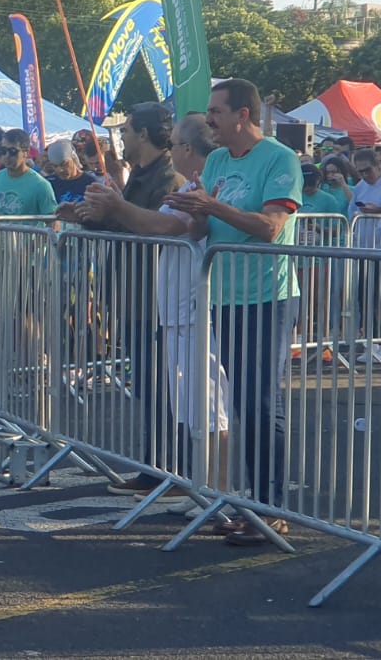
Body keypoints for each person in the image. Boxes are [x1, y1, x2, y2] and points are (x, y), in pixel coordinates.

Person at [163, 77, 302, 547]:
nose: (209, 120)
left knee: (262, 404)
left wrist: (210, 204)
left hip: (269, 295)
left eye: (216, 111)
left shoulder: (280, 159)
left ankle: (271, 509)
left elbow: (270, 227)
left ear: (243, 114)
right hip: (225, 296)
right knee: (245, 402)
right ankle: (257, 504)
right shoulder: (218, 160)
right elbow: (204, 223)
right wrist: (193, 210)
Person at [83, 114, 231, 503]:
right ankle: (179, 476)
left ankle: (199, 483)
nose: (123, 139)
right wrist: (99, 217)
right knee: (173, 396)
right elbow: (142, 224)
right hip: (160, 304)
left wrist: (114, 207)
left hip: (178, 306)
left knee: (201, 402)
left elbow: (164, 227)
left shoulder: (173, 180)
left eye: (127, 131)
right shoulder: (152, 177)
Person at [0, 129, 58, 218]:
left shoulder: (41, 185)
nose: (7, 156)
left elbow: (53, 223)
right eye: (3, 150)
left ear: (26, 152)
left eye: (13, 151)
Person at [44, 140, 98, 205]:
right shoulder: (48, 184)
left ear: (74, 159)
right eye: (55, 166)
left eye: (64, 164)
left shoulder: (90, 183)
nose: (60, 170)